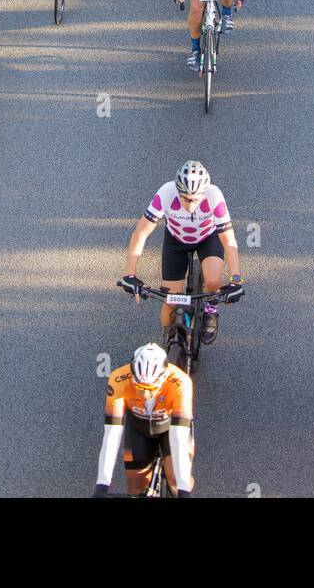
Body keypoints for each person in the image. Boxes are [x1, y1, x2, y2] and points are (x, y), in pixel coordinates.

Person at [120, 161, 244, 349]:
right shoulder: (166, 192)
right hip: (176, 241)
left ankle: (211, 309)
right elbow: (141, 233)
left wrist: (235, 279)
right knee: (169, 302)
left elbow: (228, 240)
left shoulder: (214, 195)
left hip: (208, 239)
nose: (191, 204)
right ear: (178, 191)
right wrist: (129, 274)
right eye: (185, 198)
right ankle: (168, 345)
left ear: (204, 192)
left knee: (212, 281)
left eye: (196, 199)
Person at [92, 343, 194, 497]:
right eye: (139, 387)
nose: (145, 394)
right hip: (138, 428)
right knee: (136, 488)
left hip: (170, 427)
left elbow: (178, 437)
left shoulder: (181, 382)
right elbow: (112, 434)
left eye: (151, 388)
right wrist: (102, 485)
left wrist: (184, 490)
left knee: (176, 480)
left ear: (163, 376)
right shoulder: (118, 379)